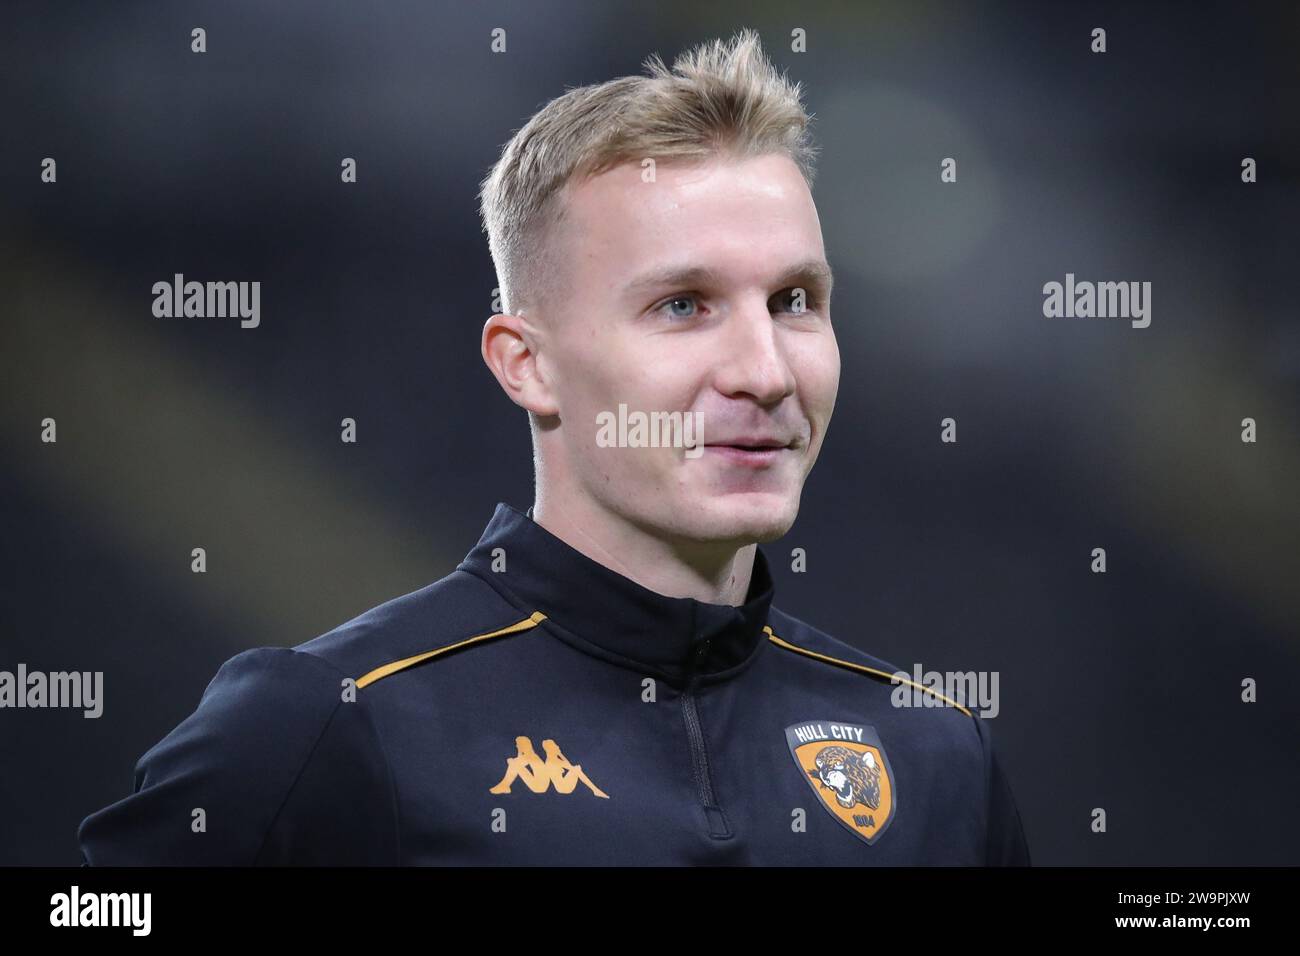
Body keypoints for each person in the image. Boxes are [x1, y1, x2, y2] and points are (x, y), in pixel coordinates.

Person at [78, 27, 1030, 866]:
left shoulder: (933, 756)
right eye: (683, 305)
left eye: (794, 301)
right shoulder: (329, 723)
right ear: (526, 364)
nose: (766, 371)